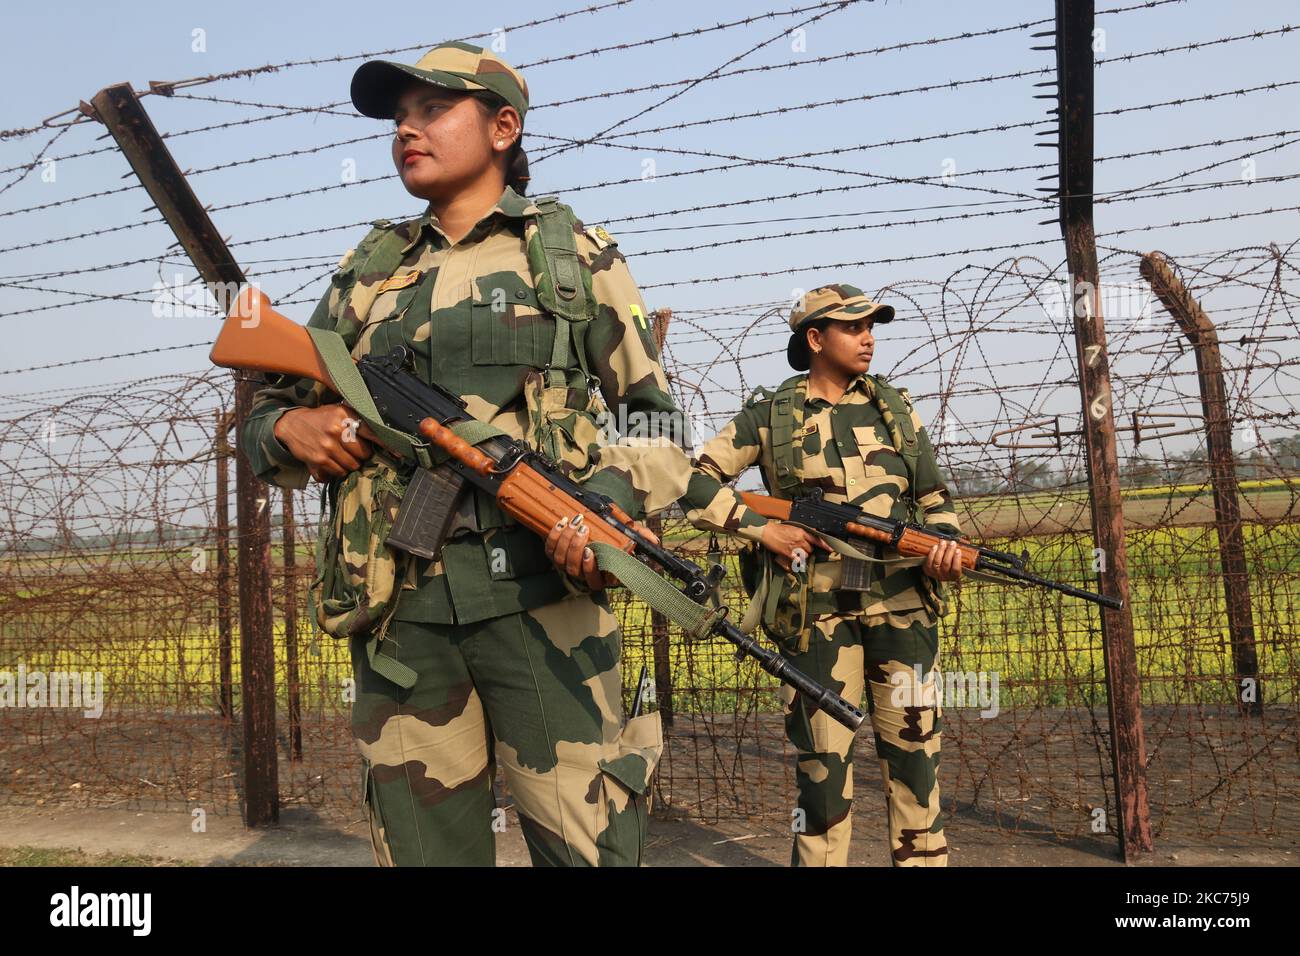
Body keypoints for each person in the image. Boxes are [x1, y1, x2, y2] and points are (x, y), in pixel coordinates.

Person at [240, 42, 692, 866]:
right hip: (402, 615)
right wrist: (287, 432)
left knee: (590, 850)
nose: (407, 131)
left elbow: (656, 426)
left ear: (502, 128)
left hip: (544, 605)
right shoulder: (369, 270)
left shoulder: (572, 256)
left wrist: (605, 513)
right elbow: (268, 410)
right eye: (398, 118)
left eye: (432, 111)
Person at [679, 283, 964, 867]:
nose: (868, 338)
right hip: (816, 622)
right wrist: (763, 530)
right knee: (822, 776)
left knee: (916, 764)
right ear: (815, 338)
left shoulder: (895, 410)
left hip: (902, 609)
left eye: (871, 327)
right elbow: (695, 481)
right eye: (854, 327)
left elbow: (934, 498)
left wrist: (947, 546)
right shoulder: (771, 416)